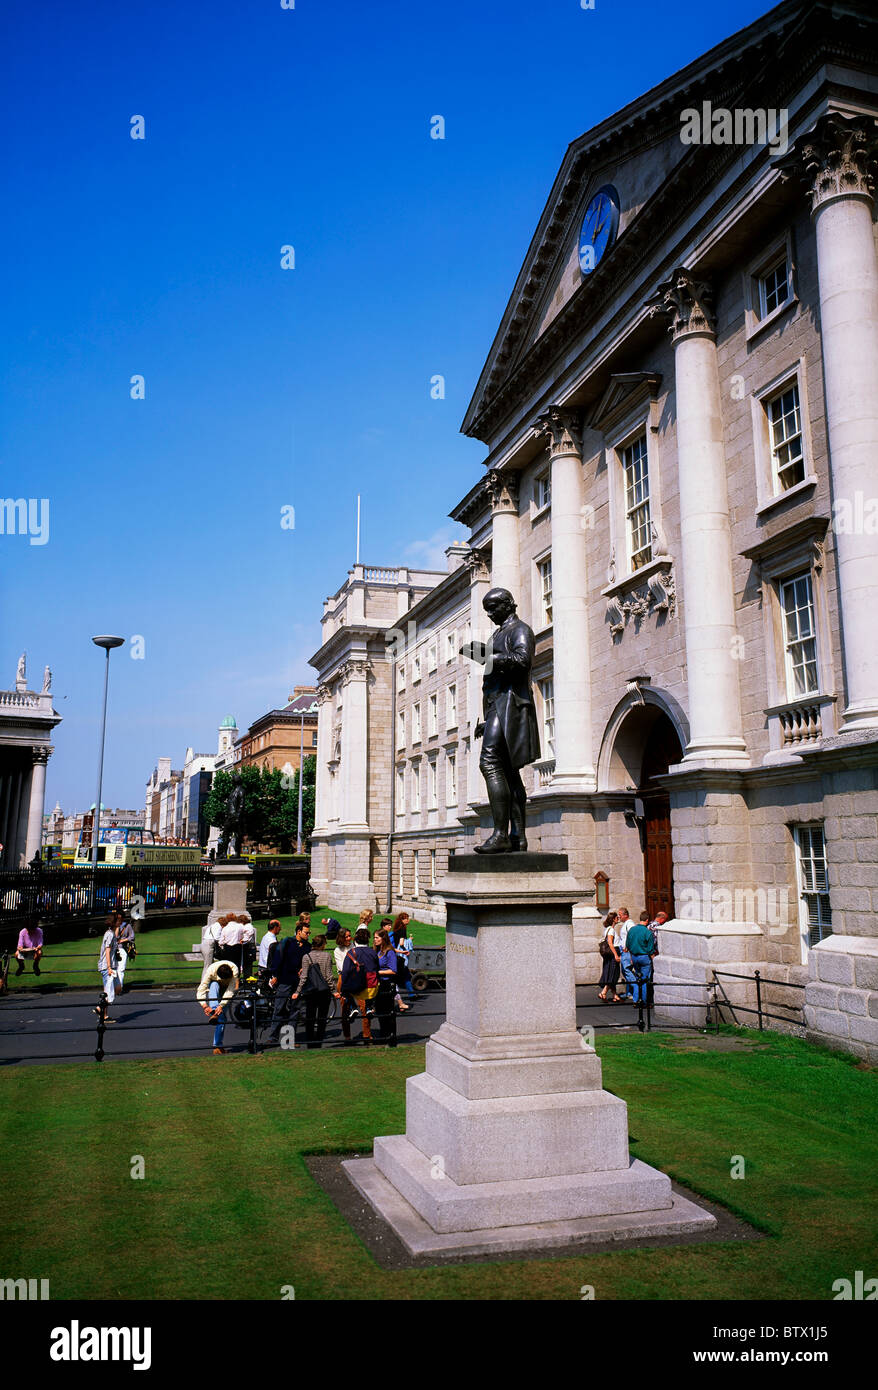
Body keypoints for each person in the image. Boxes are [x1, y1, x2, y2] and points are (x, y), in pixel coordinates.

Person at [460, 587, 540, 853]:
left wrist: (488, 656)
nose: (490, 614)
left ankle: (500, 834)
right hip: (498, 706)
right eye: (487, 610)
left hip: (512, 706)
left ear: (508, 604)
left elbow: (522, 660)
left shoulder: (520, 630)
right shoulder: (498, 633)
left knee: (490, 762)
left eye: (493, 608)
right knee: (508, 772)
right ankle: (517, 836)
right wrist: (487, 718)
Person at [267, 916, 312, 1045]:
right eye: (306, 932)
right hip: (285, 979)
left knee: (295, 1010)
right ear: (299, 932)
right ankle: (273, 1036)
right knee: (279, 1008)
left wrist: (304, 969)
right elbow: (278, 959)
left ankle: (289, 1039)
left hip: (298, 982)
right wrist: (275, 975)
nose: (308, 935)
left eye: (309, 933)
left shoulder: (308, 946)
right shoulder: (288, 942)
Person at [291, 934, 336, 1047]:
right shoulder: (327, 956)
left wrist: (297, 991)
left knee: (310, 1018)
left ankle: (310, 1042)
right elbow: (328, 976)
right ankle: (319, 1042)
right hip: (324, 990)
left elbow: (304, 976)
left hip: (311, 990)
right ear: (323, 944)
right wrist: (334, 990)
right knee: (322, 1018)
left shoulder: (306, 957)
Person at [340, 926, 380, 1044]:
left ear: (355, 940)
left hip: (357, 988)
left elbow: (345, 971)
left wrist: (343, 989)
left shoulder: (351, 952)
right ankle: (369, 1007)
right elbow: (377, 968)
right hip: (371, 987)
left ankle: (352, 1007)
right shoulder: (373, 952)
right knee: (369, 992)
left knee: (346, 989)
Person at [197, 960, 240, 1054]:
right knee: (213, 984)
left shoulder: (234, 970)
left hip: (227, 990)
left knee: (221, 1017)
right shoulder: (210, 971)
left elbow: (230, 990)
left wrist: (221, 1005)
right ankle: (218, 1046)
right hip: (215, 988)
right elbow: (201, 989)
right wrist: (204, 1006)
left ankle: (217, 1046)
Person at [625, 914, 658, 1008]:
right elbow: (650, 949)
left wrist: (632, 955)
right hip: (644, 957)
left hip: (634, 956)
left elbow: (627, 944)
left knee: (637, 979)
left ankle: (636, 1000)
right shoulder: (647, 932)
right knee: (644, 980)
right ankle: (642, 1001)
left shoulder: (632, 930)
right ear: (647, 920)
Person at [94, 915, 122, 1020]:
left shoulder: (112, 934)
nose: (120, 922)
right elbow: (107, 950)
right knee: (108, 991)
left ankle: (102, 1010)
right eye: (118, 921)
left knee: (117, 988)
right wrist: (109, 967)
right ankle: (101, 1011)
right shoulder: (109, 934)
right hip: (107, 966)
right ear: (114, 923)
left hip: (112, 966)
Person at [374, 928, 399, 1045]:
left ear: (383, 939)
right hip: (379, 984)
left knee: (389, 1012)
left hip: (387, 984)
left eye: (376, 938)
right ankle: (383, 1035)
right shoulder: (379, 952)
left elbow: (393, 970)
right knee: (380, 1011)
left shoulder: (390, 952)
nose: (374, 940)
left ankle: (391, 1037)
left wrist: (377, 972)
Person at [334, 927, 355, 1044]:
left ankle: (367, 1034)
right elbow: (342, 967)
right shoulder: (338, 950)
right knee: (344, 1010)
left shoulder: (353, 946)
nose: (349, 938)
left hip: (355, 977)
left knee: (364, 1006)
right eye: (346, 936)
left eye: (349, 936)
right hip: (344, 979)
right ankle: (347, 1036)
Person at [597, 912, 622, 1002]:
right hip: (612, 954)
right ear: (613, 919)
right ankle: (603, 993)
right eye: (616, 917)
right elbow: (610, 943)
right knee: (613, 974)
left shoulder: (608, 929)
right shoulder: (611, 930)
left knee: (611, 973)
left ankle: (615, 995)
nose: (618, 919)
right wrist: (616, 955)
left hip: (609, 954)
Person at [615, 907, 634, 1001]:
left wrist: (628, 947)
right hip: (624, 950)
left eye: (620, 915)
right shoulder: (626, 924)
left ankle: (635, 988)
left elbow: (632, 936)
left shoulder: (629, 924)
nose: (619, 917)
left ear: (625, 915)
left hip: (626, 951)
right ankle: (629, 993)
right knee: (625, 970)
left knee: (627, 970)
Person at [258, 919, 282, 988]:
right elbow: (274, 957)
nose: (281, 929)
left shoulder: (265, 937)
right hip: (267, 970)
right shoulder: (271, 940)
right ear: (275, 927)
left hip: (263, 967)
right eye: (279, 927)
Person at [116, 913, 136, 992]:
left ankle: (119, 988)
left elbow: (132, 937)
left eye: (120, 918)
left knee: (121, 969)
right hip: (114, 949)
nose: (119, 920)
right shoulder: (114, 926)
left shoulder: (127, 926)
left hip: (123, 949)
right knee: (115, 969)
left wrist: (122, 940)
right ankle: (115, 987)